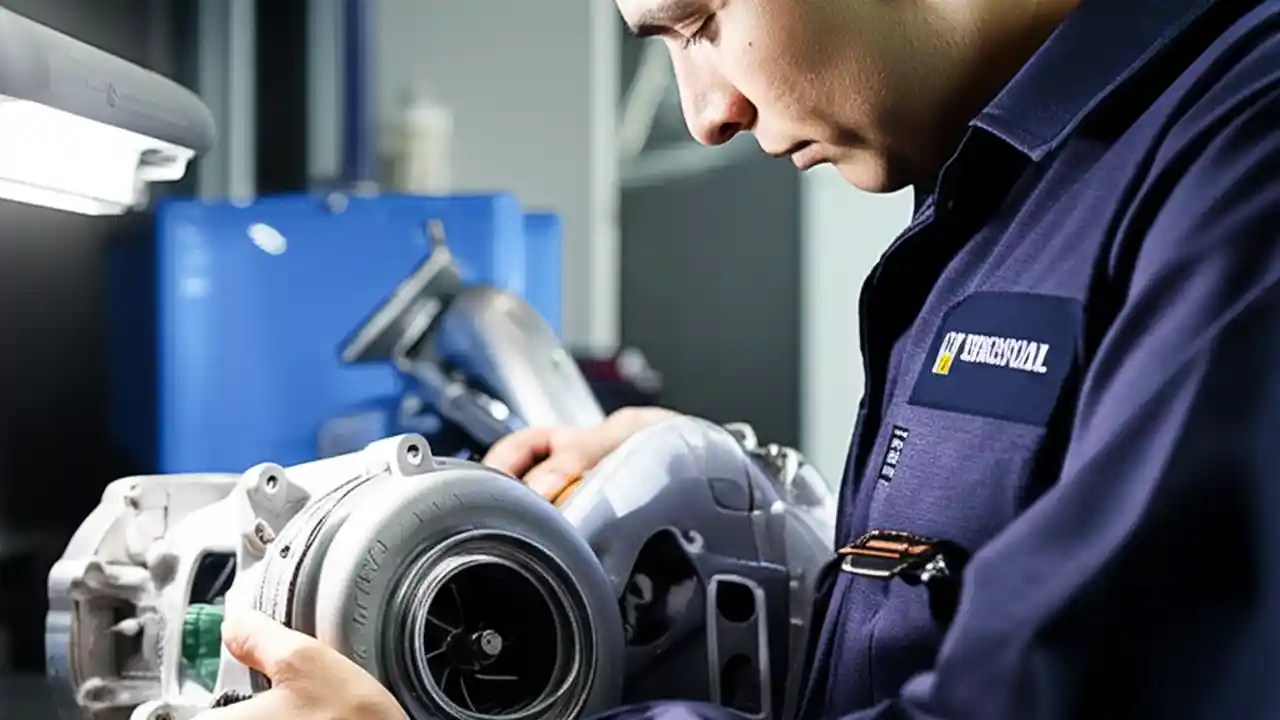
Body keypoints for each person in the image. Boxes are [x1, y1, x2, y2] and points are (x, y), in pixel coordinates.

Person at [201, 0, 1280, 717]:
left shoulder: (1239, 149)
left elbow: (1090, 686)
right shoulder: (996, 192)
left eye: (701, 21)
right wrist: (739, 499)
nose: (706, 112)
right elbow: (957, 606)